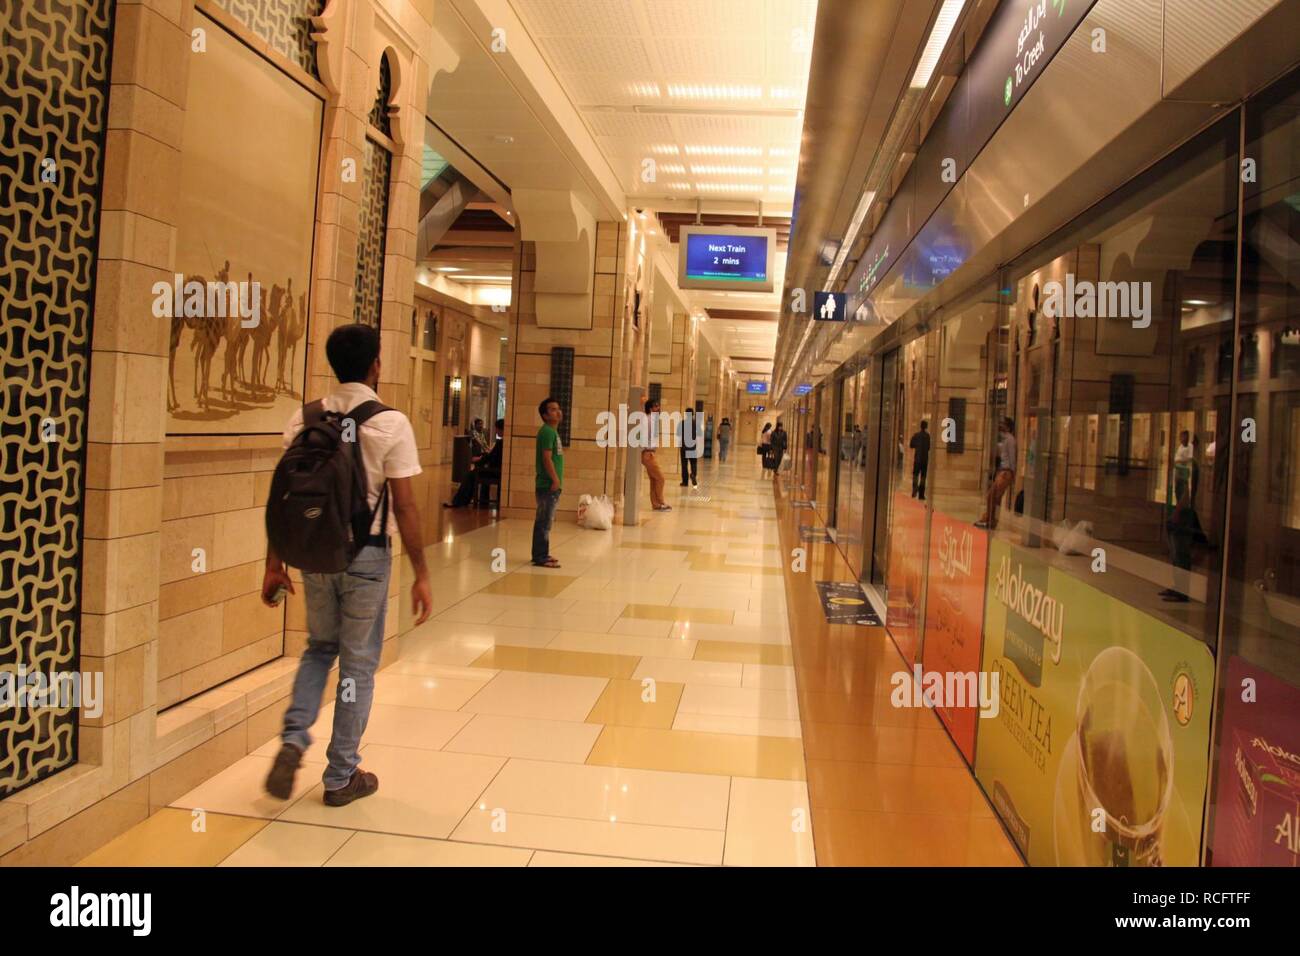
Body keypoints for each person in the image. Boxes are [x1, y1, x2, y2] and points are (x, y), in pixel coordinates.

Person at [262, 323, 432, 807]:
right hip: (367, 555)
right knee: (357, 665)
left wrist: (274, 564)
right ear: (375, 364)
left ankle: (295, 737)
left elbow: (283, 499)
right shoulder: (391, 423)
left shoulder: (304, 417)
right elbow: (406, 507)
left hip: (314, 554)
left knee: (319, 648)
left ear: (334, 365)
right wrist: (421, 572)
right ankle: (340, 775)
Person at [532, 397, 564, 568]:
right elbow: (546, 458)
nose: (557, 412)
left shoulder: (552, 431)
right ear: (544, 415)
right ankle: (540, 557)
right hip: (547, 484)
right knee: (544, 521)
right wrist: (555, 479)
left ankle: (542, 553)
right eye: (552, 409)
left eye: (558, 408)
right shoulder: (546, 432)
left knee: (546, 521)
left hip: (550, 484)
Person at [445, 418, 503, 508]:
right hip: (496, 470)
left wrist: (479, 460)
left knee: (470, 475)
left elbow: (490, 457)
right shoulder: (503, 442)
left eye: (496, 429)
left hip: (495, 471)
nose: (496, 431)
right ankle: (468, 501)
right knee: (473, 473)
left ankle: (459, 501)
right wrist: (481, 457)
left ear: (500, 429)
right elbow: (491, 456)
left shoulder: (500, 443)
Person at [976, 417, 1017, 529]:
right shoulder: (1005, 439)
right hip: (1003, 471)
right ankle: (990, 520)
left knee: (993, 496)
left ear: (1008, 427)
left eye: (1003, 424)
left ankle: (990, 520)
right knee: (994, 497)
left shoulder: (1010, 439)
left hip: (1006, 472)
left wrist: (1011, 473)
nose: (1000, 426)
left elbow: (1012, 457)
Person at [641, 398, 671, 512]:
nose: (658, 408)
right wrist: (645, 450)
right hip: (648, 454)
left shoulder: (652, 420)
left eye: (658, 406)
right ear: (650, 409)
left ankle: (656, 504)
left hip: (649, 453)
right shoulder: (648, 420)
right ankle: (661, 503)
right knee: (661, 478)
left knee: (654, 480)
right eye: (656, 406)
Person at [909, 420, 931, 499]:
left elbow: (911, 445)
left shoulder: (916, 435)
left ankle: (914, 491)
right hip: (924, 459)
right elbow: (929, 447)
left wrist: (917, 446)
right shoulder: (928, 436)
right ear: (926, 427)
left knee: (915, 475)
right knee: (923, 477)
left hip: (917, 459)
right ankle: (921, 494)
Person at [678, 408, 699, 488]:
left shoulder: (682, 423)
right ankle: (693, 474)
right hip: (692, 446)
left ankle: (685, 482)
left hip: (683, 447)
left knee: (684, 465)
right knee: (693, 463)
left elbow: (679, 433)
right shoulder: (695, 423)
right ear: (693, 414)